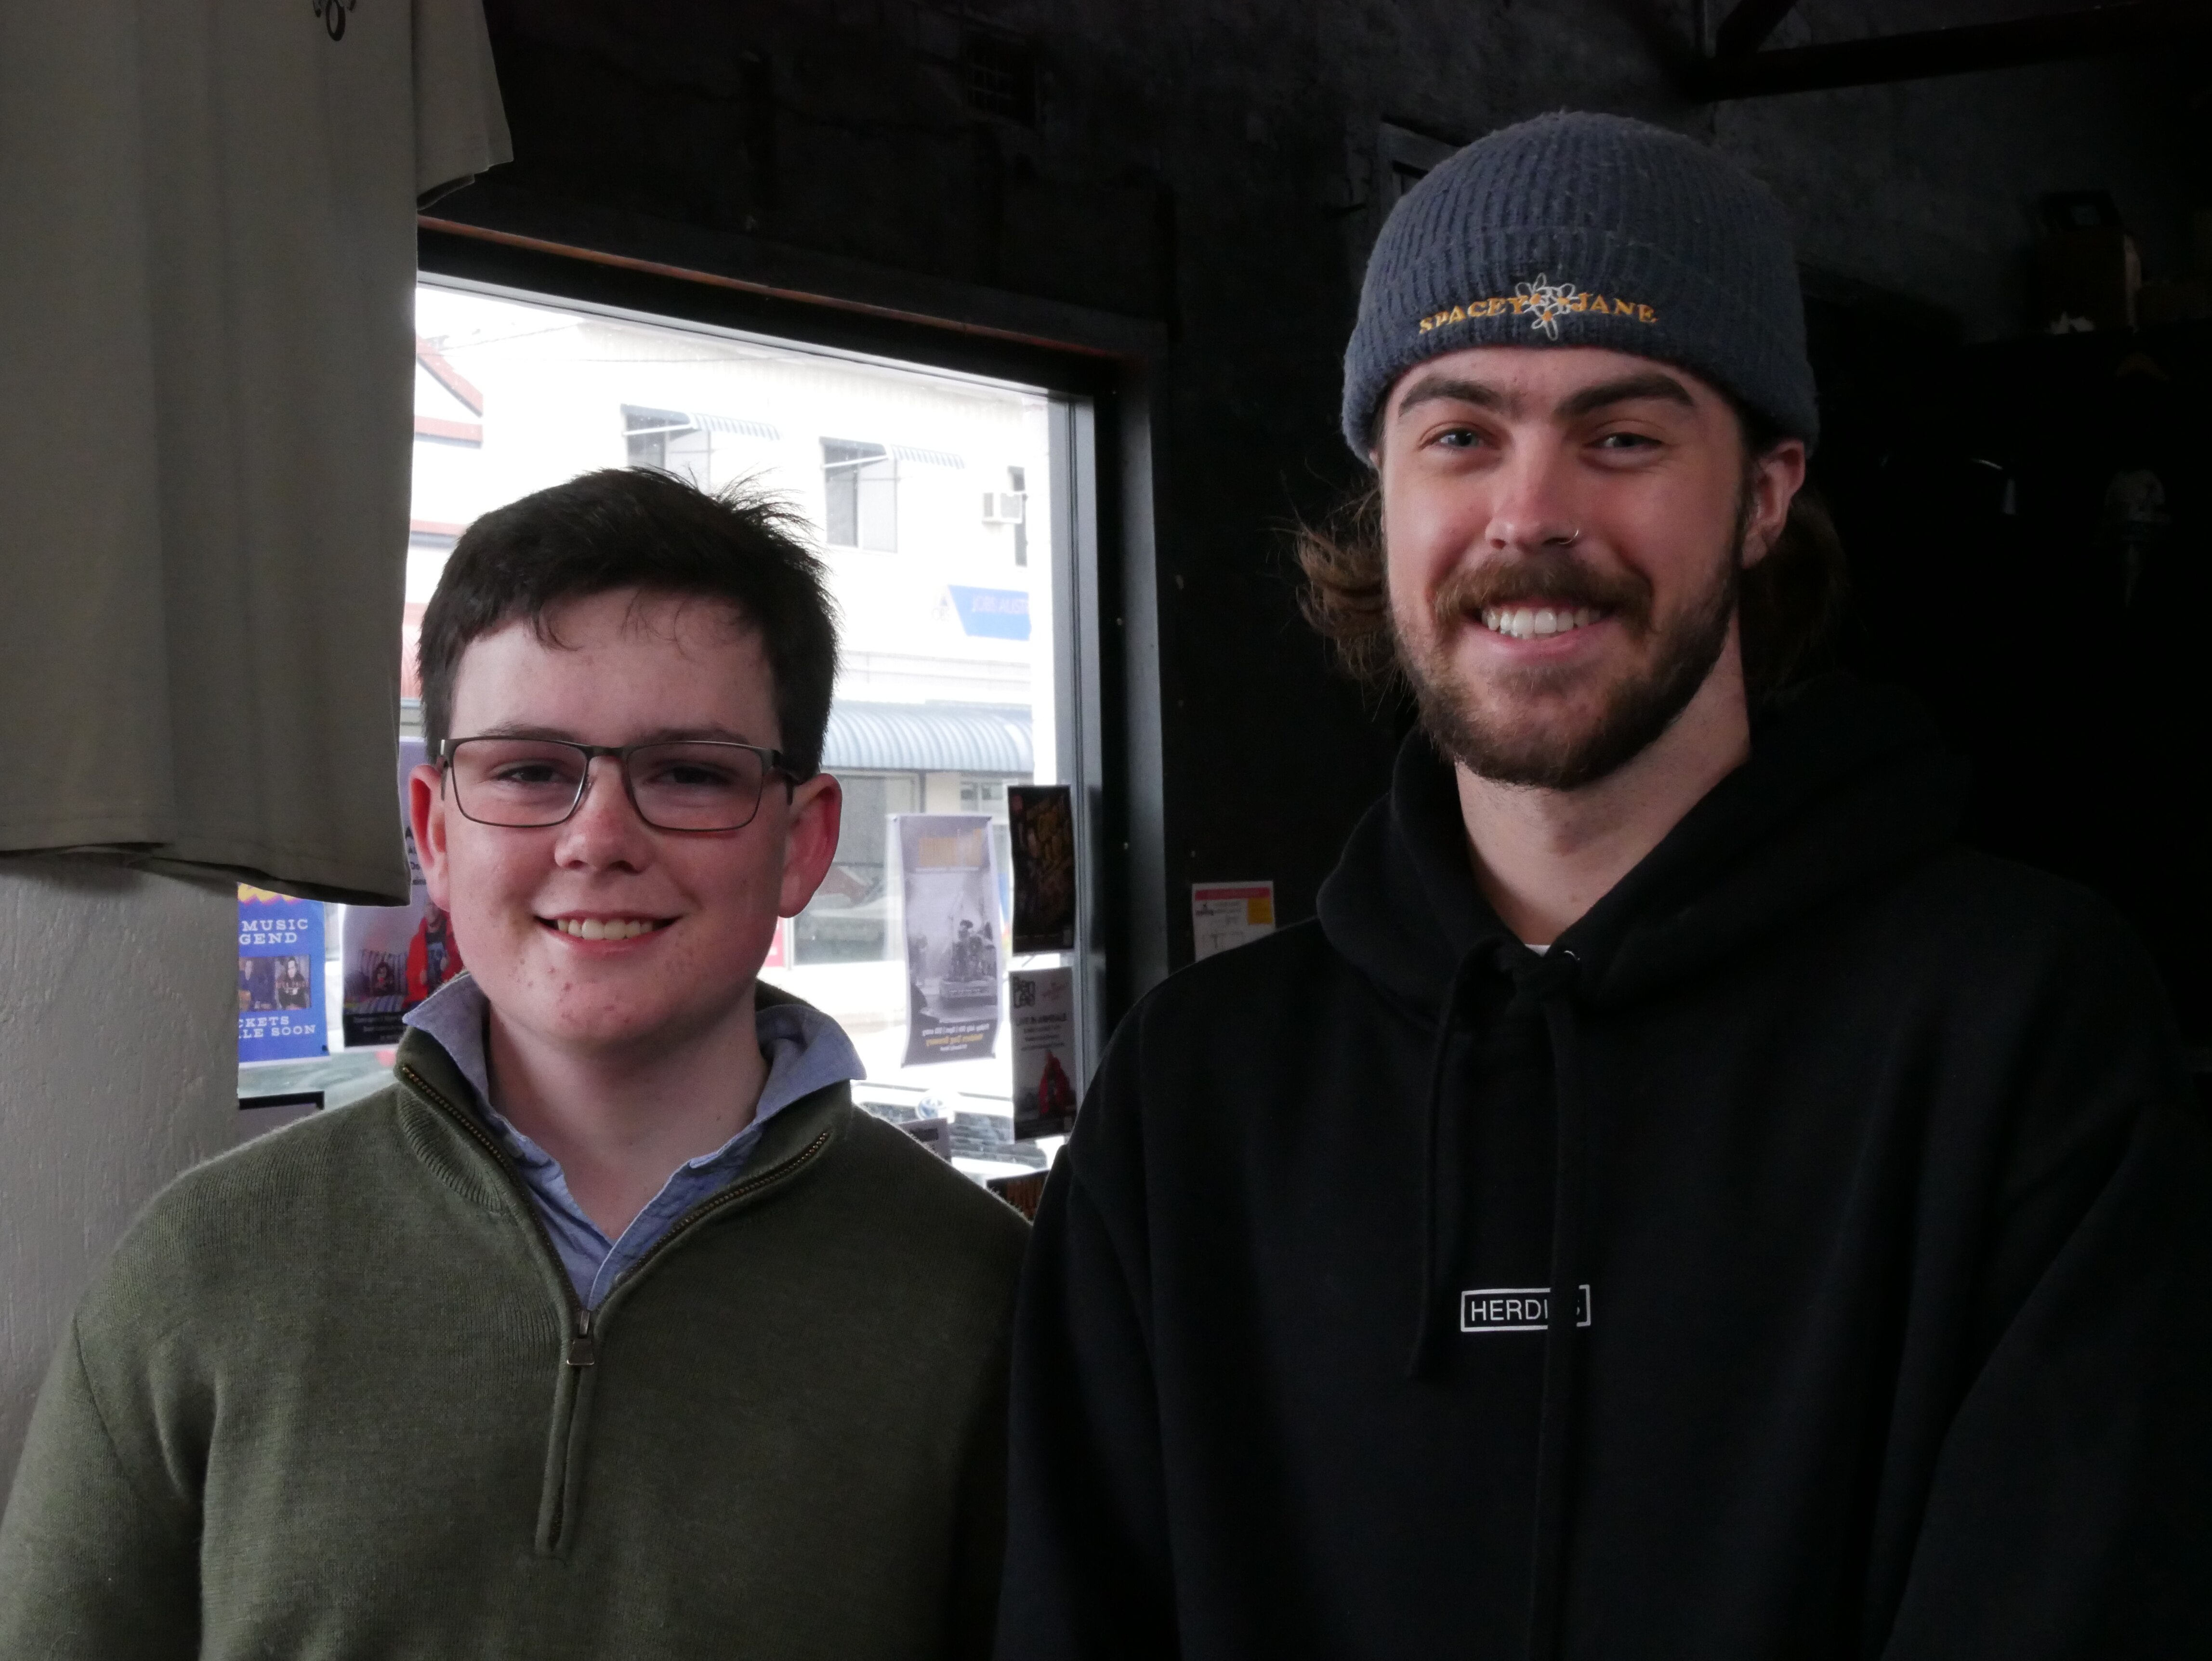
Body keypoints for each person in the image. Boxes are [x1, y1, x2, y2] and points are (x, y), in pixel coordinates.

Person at [997, 113, 2212, 1659]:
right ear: (1385, 490)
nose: (1532, 515)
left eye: (1624, 436)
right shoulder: (1197, 1093)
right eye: (1460, 434)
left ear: (1768, 496)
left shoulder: (2017, 1035)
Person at [0, 468, 1028, 1658]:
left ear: (801, 842)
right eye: (531, 770)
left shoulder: (983, 1300)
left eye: (690, 772)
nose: (598, 838)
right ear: (436, 832)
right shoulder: (205, 1269)